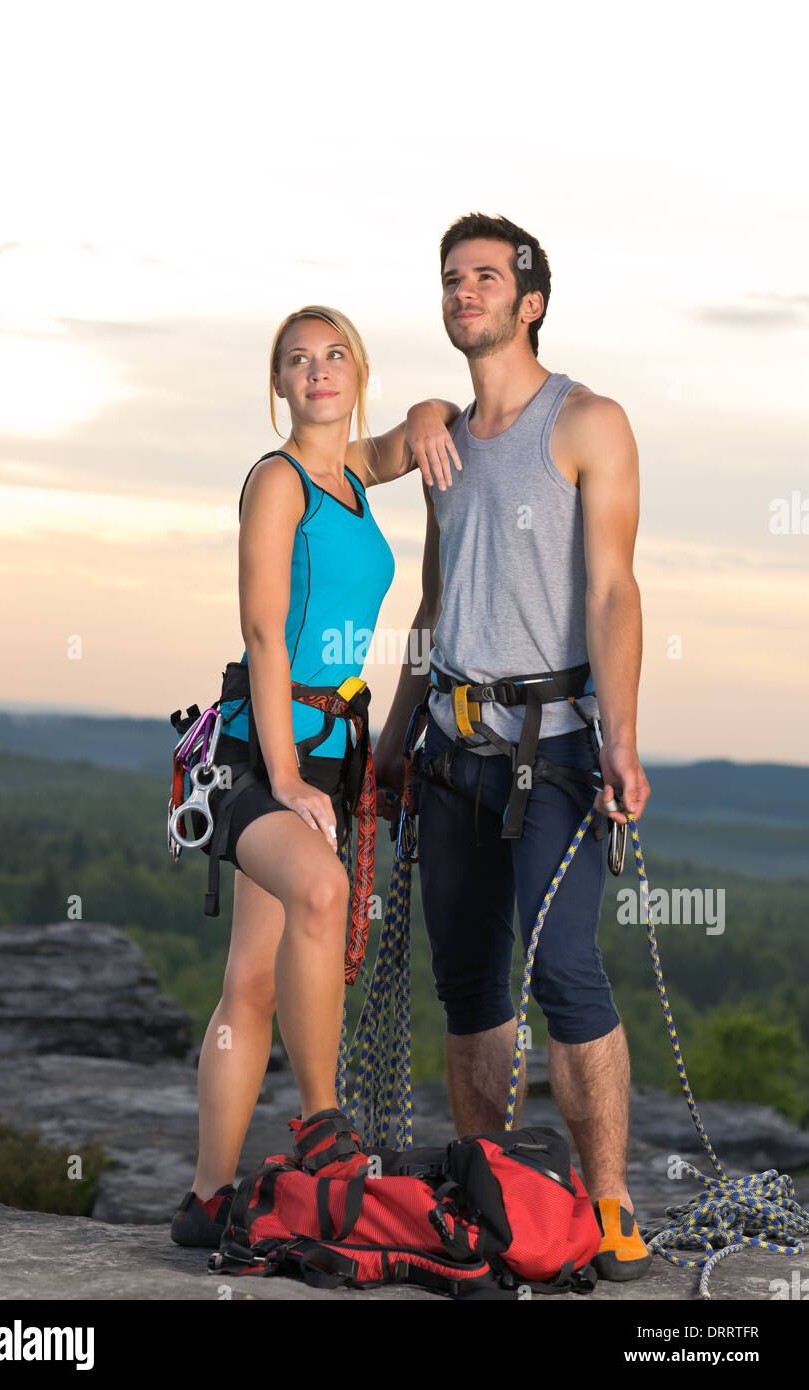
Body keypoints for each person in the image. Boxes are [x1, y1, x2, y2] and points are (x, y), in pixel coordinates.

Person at [373, 212, 653, 1281]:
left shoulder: (587, 422)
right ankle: (489, 1186)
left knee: (567, 971)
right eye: (450, 278)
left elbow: (614, 590)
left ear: (529, 300)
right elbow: (435, 604)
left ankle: (610, 1200)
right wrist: (397, 739)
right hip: (450, 750)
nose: (462, 292)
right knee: (467, 984)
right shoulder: (439, 441)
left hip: (561, 746)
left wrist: (622, 736)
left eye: (484, 277)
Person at [171, 304, 460, 1247]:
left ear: (356, 372)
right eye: (298, 361)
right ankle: (325, 1125)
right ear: (279, 386)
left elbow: (415, 437)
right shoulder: (279, 481)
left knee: (251, 984)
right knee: (325, 889)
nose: (317, 370)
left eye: (334, 355)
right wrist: (289, 778)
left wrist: (426, 413)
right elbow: (262, 630)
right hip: (257, 753)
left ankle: (208, 1198)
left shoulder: (352, 477)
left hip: (333, 758)